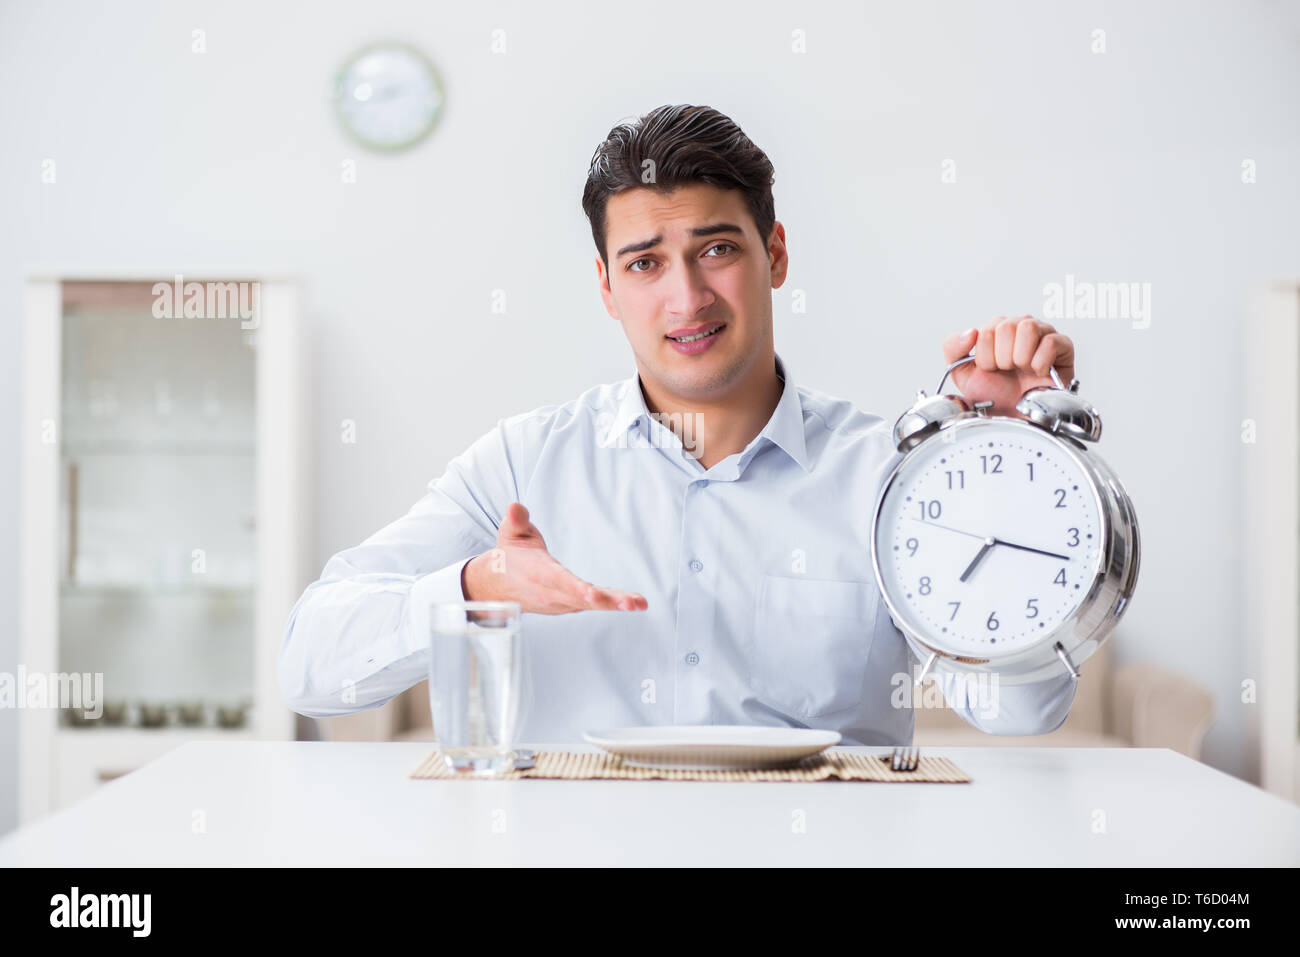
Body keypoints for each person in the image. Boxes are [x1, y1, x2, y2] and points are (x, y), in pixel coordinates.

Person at [278, 103, 1080, 744]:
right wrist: (473, 586)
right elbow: (311, 666)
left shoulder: (887, 475)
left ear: (776, 254)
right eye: (645, 262)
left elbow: (1019, 711)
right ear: (606, 285)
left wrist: (998, 465)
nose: (687, 298)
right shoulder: (524, 467)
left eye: (718, 249)